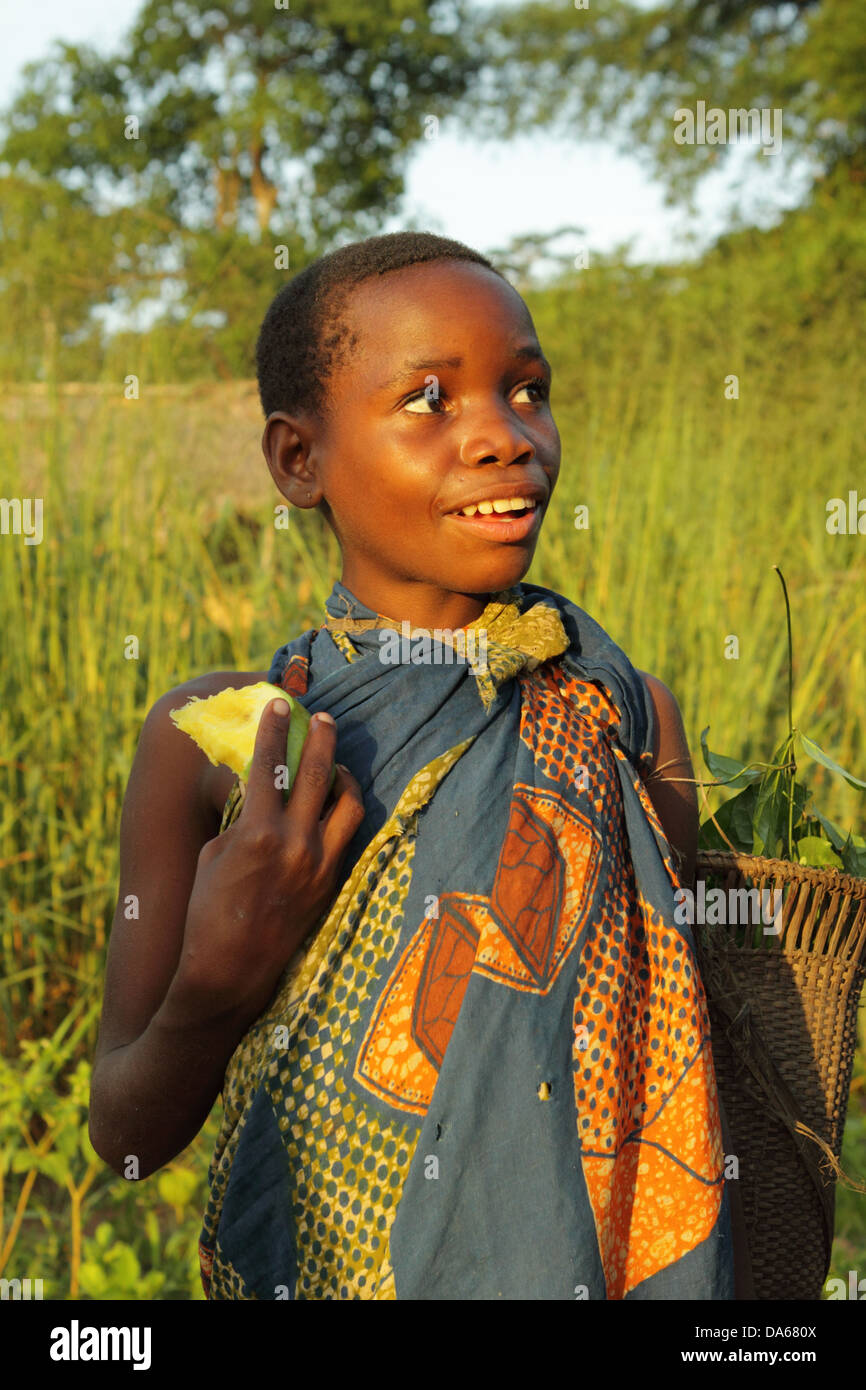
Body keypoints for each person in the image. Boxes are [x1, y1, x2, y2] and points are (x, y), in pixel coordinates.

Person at [89, 230, 746, 1300]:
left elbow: (685, 1055)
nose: (504, 435)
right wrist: (215, 985)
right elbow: (122, 1137)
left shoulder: (623, 712)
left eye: (525, 389)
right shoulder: (221, 737)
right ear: (299, 460)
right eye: (428, 400)